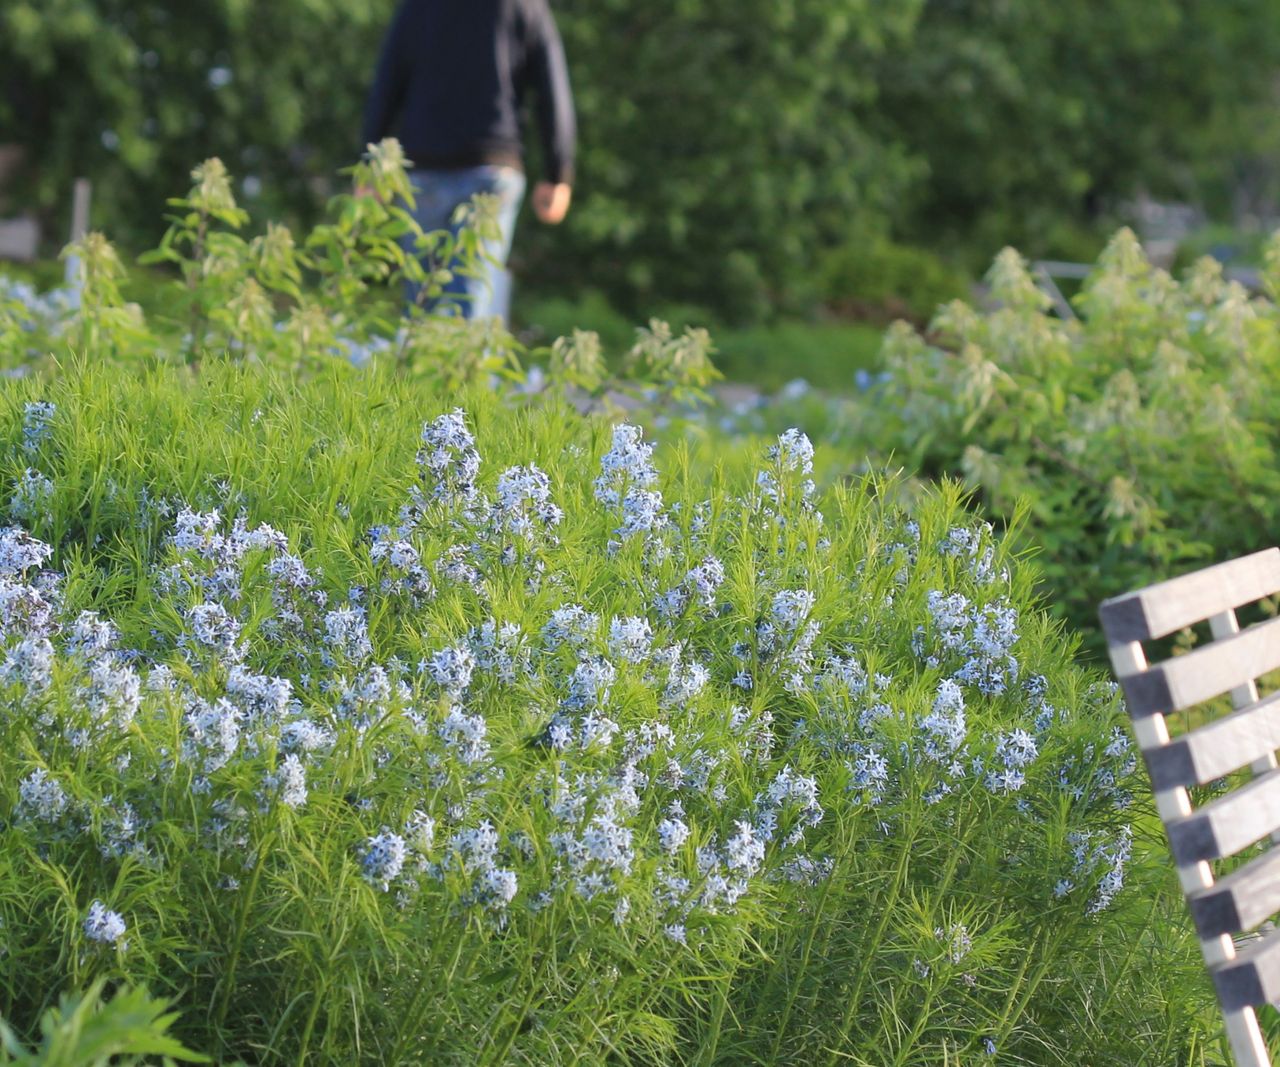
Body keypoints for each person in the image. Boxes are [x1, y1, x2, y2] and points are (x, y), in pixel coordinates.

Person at [362, 0, 576, 322]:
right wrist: (557, 171)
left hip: (423, 169)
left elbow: (388, 80)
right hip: (493, 170)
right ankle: (464, 369)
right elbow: (552, 85)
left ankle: (416, 366)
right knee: (473, 297)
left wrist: (370, 166)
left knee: (420, 299)